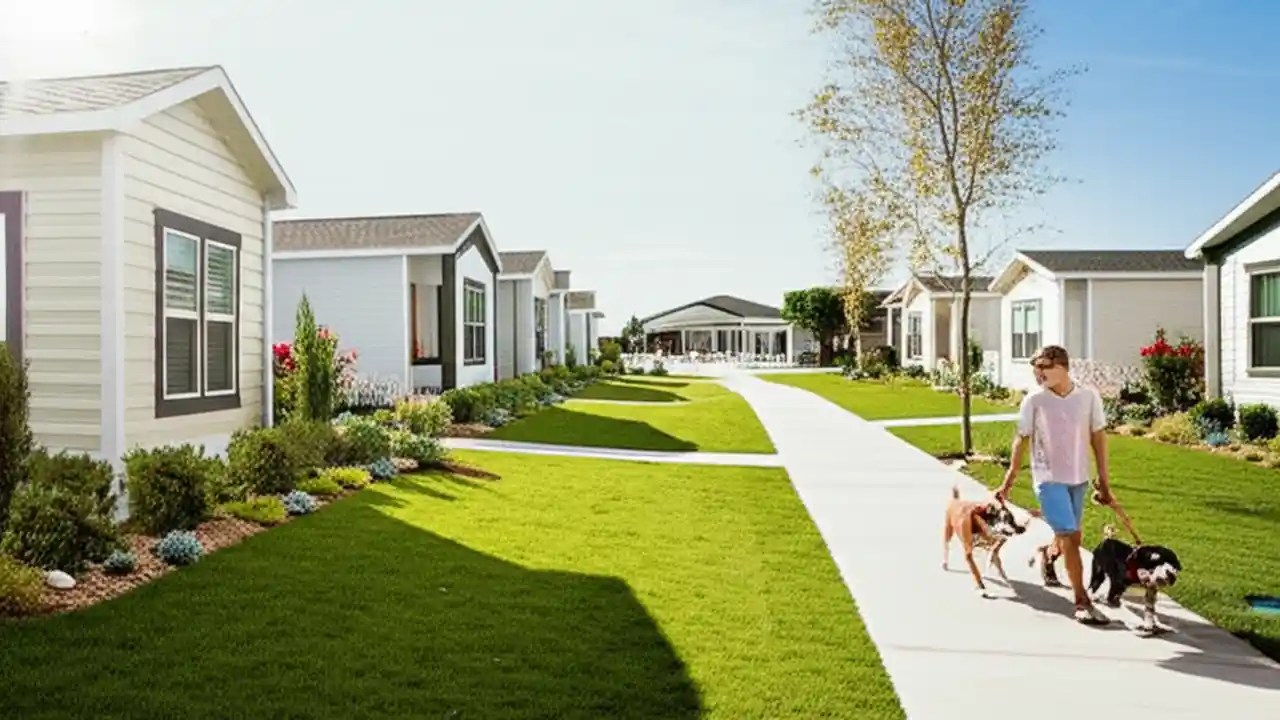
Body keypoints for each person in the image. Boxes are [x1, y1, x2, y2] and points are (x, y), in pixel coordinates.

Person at [996, 344, 1114, 626]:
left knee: (1071, 536)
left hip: (1078, 477)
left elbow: (1098, 437)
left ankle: (1048, 556)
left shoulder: (1088, 397)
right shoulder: (1034, 400)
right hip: (1047, 478)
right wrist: (1010, 477)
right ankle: (1081, 601)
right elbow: (1021, 438)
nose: (1038, 373)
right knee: (1071, 537)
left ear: (1062, 366)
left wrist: (1104, 480)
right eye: (1035, 368)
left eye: (1044, 367)